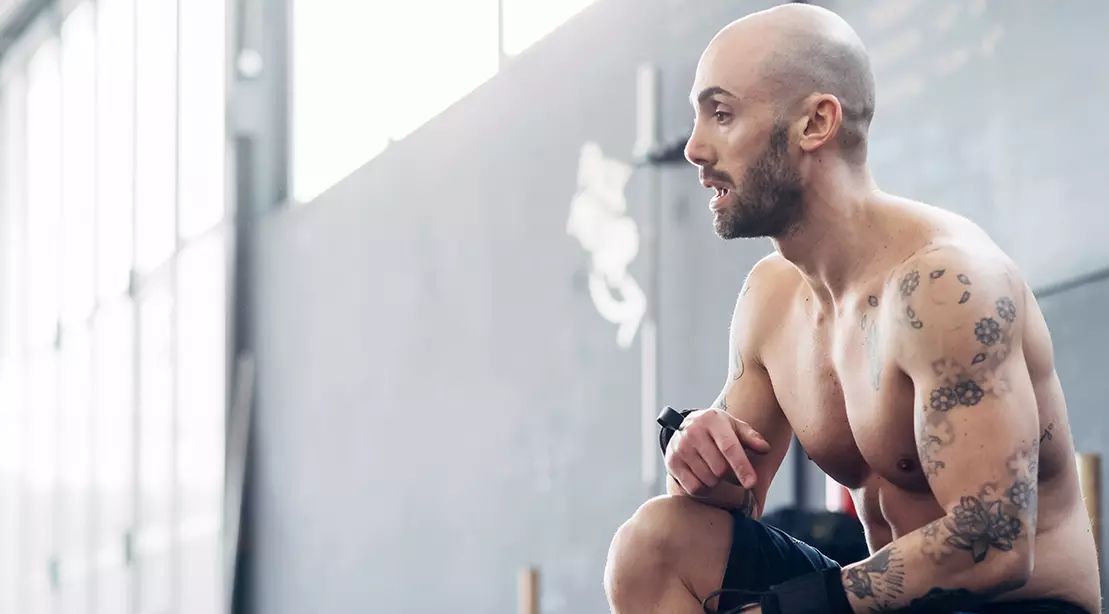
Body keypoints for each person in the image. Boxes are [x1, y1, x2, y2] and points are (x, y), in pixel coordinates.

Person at [603, 4, 1101, 614]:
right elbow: (732, 500)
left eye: (722, 113)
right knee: (655, 544)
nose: (696, 149)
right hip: (884, 601)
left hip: (1018, 605)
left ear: (816, 122)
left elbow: (993, 543)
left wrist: (796, 608)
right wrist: (701, 457)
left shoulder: (944, 286)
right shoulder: (772, 297)